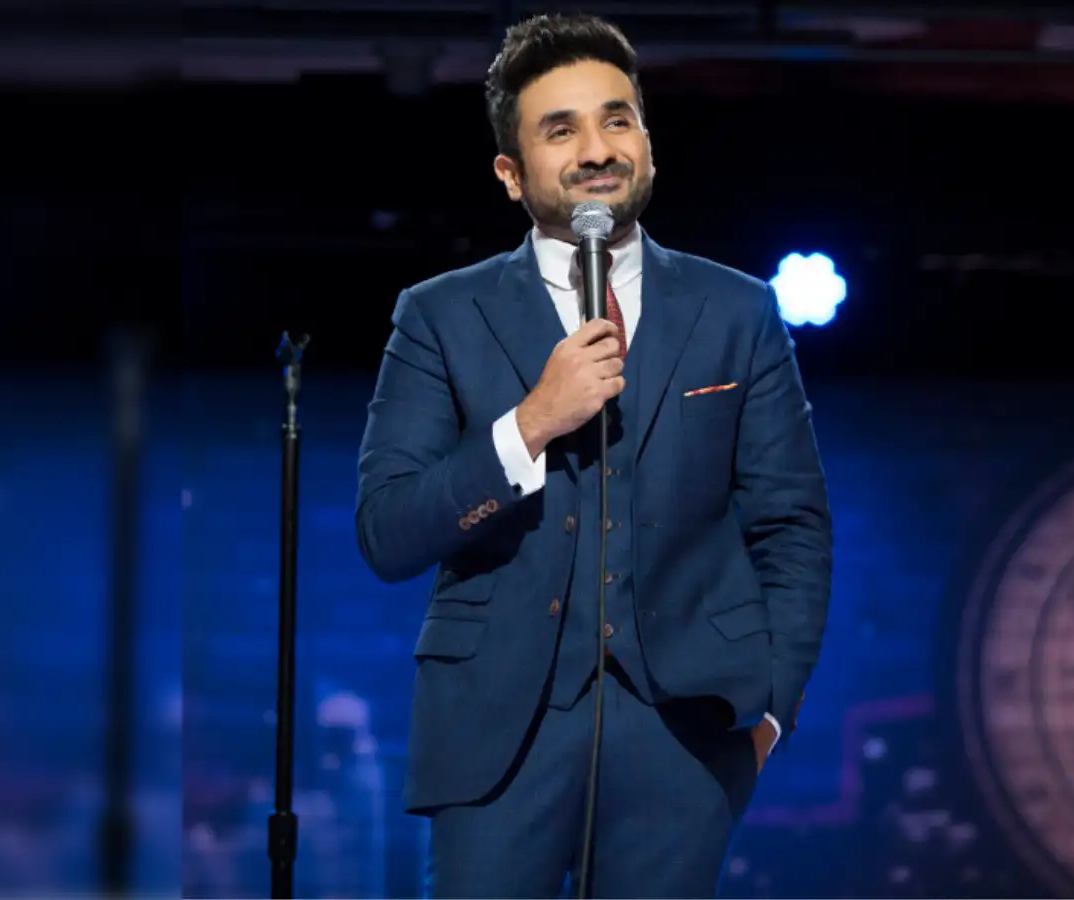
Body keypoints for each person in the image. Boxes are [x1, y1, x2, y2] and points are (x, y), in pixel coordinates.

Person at [353, 12, 833, 899]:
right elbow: (389, 531)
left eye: (617, 120)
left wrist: (769, 710)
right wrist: (530, 423)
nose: (598, 149)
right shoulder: (440, 316)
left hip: (687, 733)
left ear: (647, 143)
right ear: (511, 173)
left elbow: (792, 525)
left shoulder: (737, 310)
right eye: (561, 129)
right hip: (497, 730)